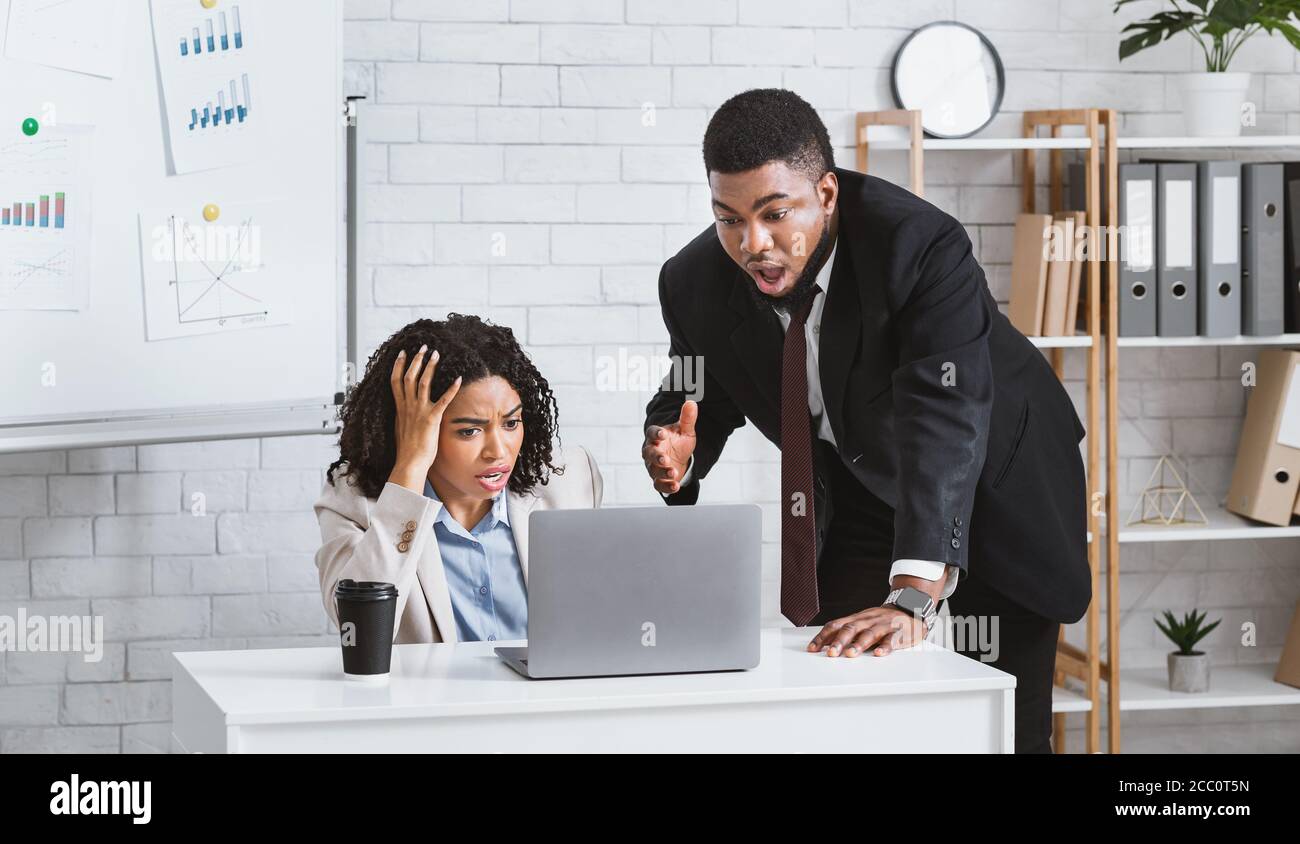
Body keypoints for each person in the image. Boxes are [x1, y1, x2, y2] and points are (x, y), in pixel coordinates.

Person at [641, 89, 1089, 753]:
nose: (751, 244)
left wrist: (912, 593)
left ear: (825, 194)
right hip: (860, 486)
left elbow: (946, 411)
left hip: (993, 476)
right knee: (844, 689)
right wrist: (678, 449)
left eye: (773, 214)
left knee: (999, 726)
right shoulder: (693, 281)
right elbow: (693, 387)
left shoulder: (917, 244)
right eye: (728, 218)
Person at [315, 313, 603, 644]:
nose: (498, 451)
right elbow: (360, 632)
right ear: (414, 428)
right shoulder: (352, 499)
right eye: (469, 431)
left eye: (511, 424)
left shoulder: (570, 480)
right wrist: (409, 466)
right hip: (436, 696)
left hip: (545, 695)